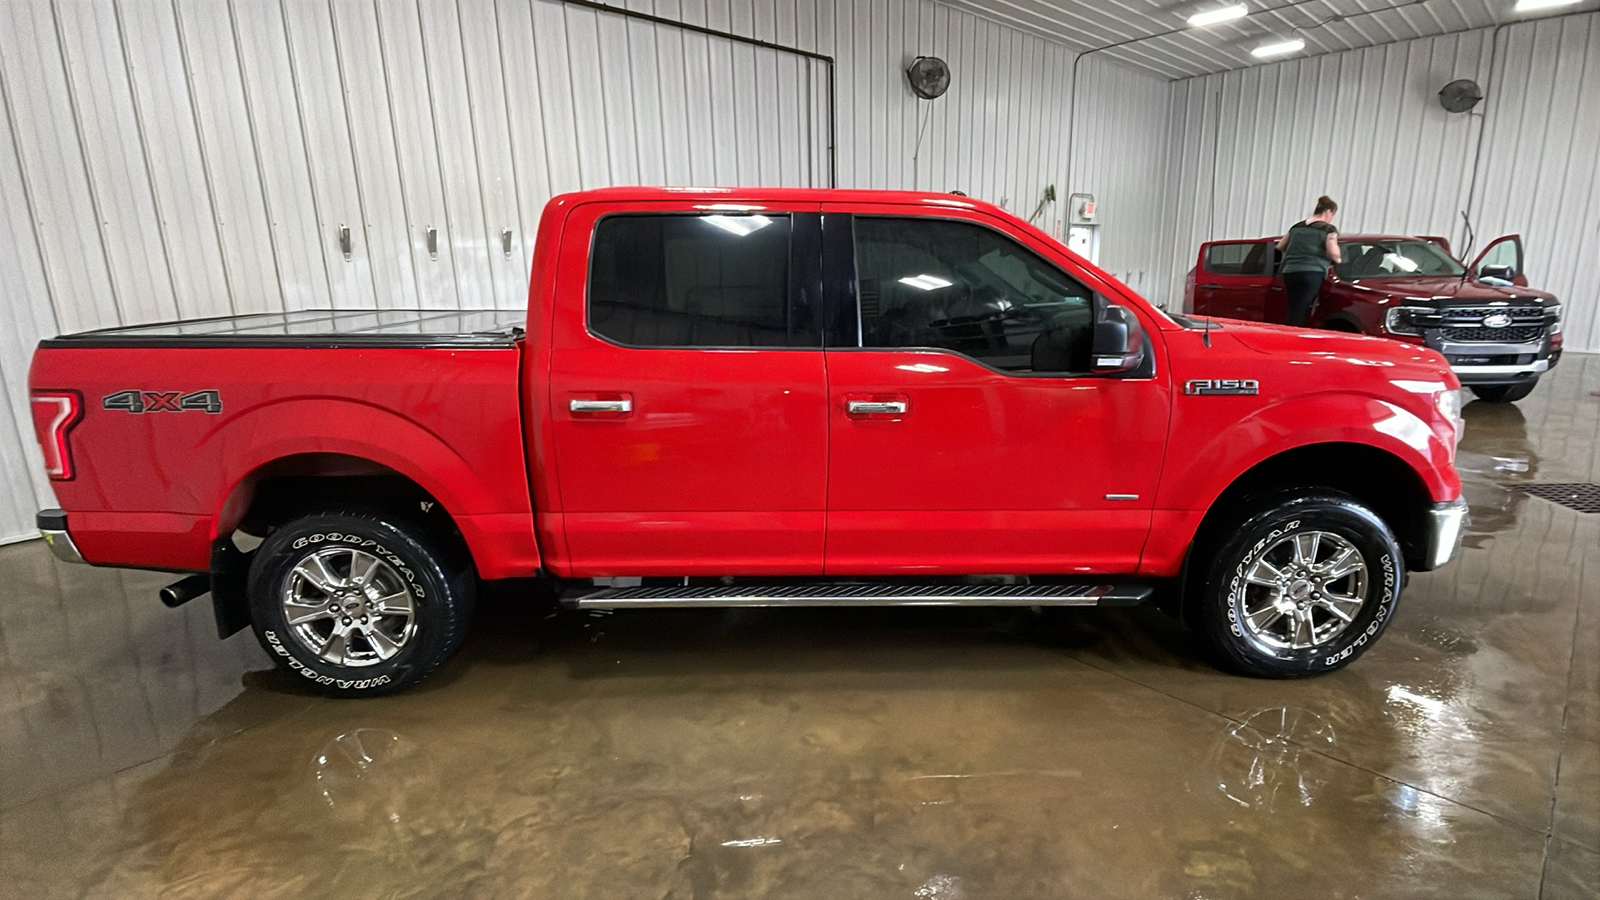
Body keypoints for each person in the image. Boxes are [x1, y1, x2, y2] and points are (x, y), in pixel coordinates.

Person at [1275, 196, 1343, 327]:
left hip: (1290, 271)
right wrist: (1339, 259)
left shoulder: (1296, 227)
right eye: (1332, 215)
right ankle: (1298, 337)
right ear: (1328, 211)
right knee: (1305, 307)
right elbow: (1333, 252)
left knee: (1293, 307)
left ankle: (1289, 333)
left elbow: (1280, 246)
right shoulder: (1328, 229)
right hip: (1312, 272)